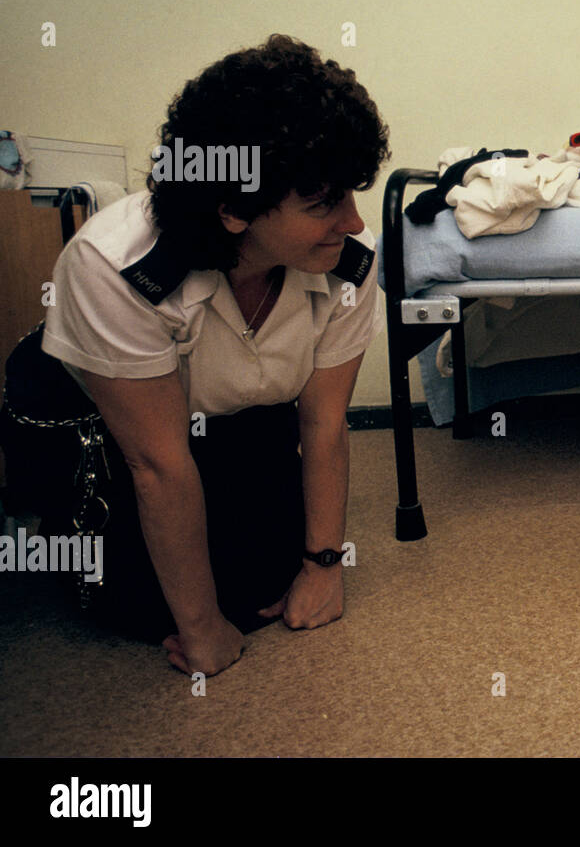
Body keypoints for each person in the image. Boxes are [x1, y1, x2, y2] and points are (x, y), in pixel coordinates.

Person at [37, 34, 389, 676]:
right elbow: (157, 466)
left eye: (352, 193)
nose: (356, 222)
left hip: (239, 410)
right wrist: (200, 630)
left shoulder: (347, 263)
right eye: (322, 203)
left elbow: (325, 423)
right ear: (232, 210)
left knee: (261, 585)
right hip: (106, 422)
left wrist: (324, 566)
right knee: (139, 608)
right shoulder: (114, 267)